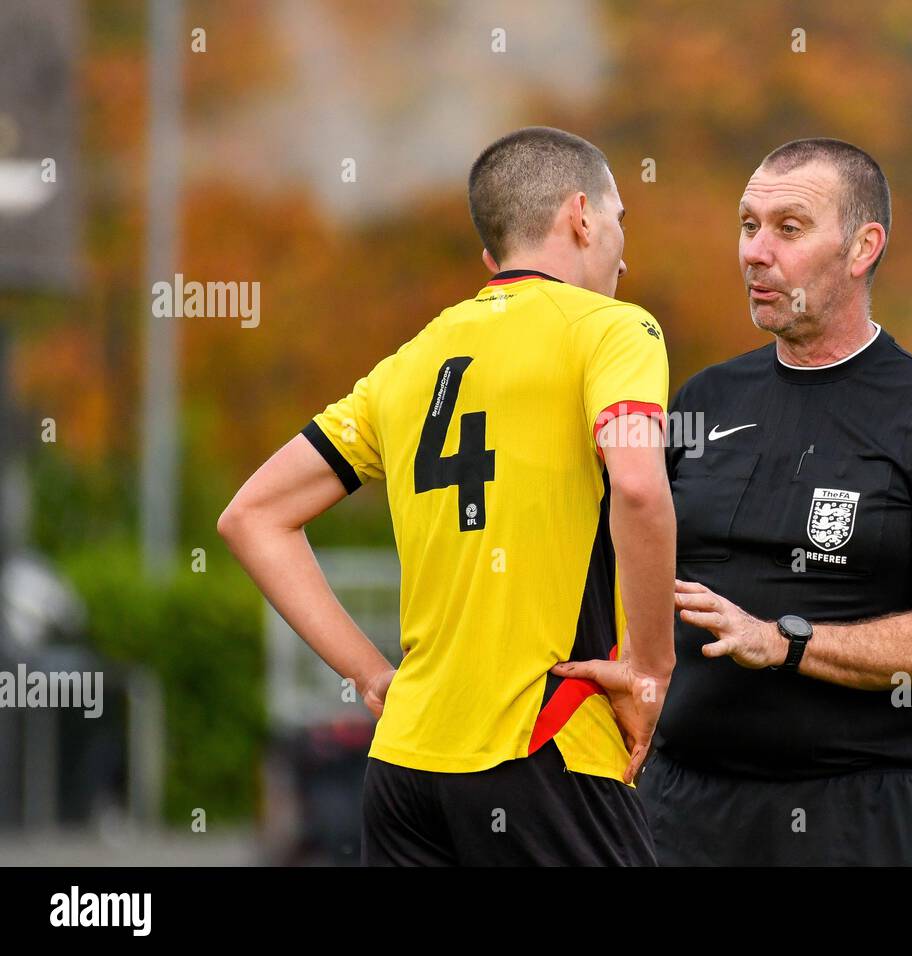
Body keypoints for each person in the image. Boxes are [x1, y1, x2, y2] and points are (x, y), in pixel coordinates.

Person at [218, 126, 676, 866]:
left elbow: (251, 517)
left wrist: (370, 675)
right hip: (544, 748)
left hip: (405, 763)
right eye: (620, 220)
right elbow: (638, 486)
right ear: (582, 215)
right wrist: (651, 670)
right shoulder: (615, 331)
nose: (625, 253)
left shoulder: (408, 364)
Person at [635, 138, 912, 866]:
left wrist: (784, 641)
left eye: (789, 228)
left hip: (847, 818)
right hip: (678, 811)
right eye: (748, 225)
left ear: (863, 246)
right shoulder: (704, 399)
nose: (755, 252)